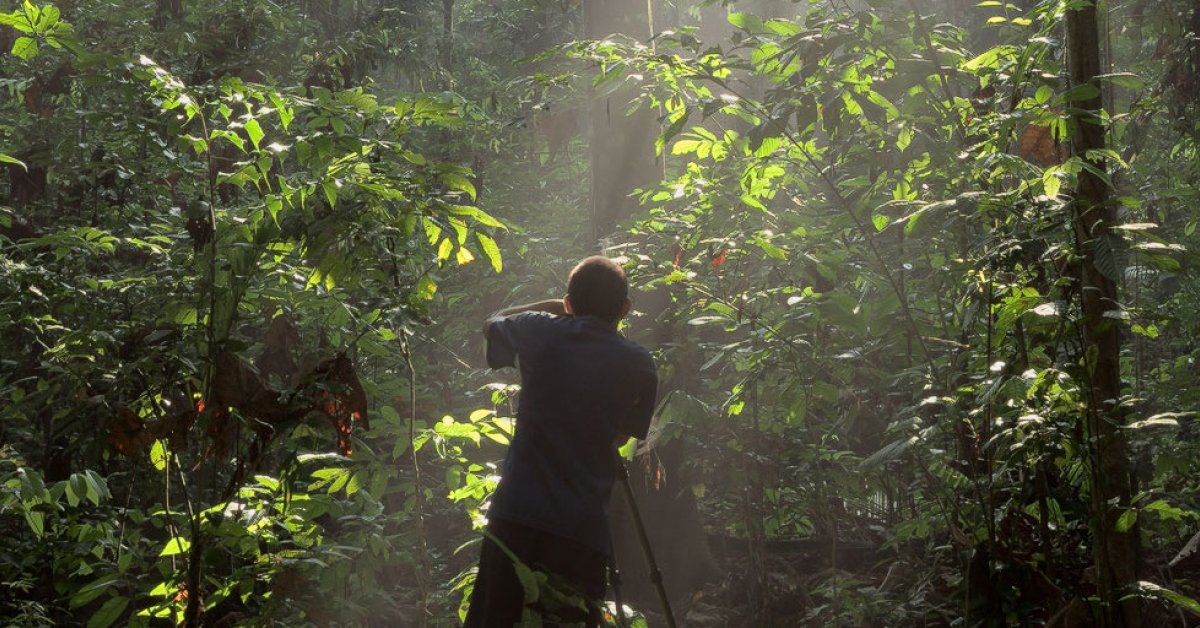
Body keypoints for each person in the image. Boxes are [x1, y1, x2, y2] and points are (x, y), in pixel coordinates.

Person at [464, 255, 658, 627]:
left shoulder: (541, 329)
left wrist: (552, 307)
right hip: (582, 527)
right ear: (625, 309)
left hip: (517, 515)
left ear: (569, 304)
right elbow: (620, 438)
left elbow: (492, 324)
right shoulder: (639, 364)